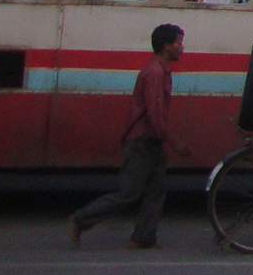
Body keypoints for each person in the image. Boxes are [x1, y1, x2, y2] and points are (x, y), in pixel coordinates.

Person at [69, 24, 192, 249]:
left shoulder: (160, 70)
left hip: (150, 141)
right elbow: (155, 115)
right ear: (166, 46)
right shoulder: (155, 74)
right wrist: (175, 142)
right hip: (141, 141)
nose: (182, 48)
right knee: (129, 193)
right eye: (178, 43)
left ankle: (144, 237)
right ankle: (81, 219)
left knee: (156, 190)